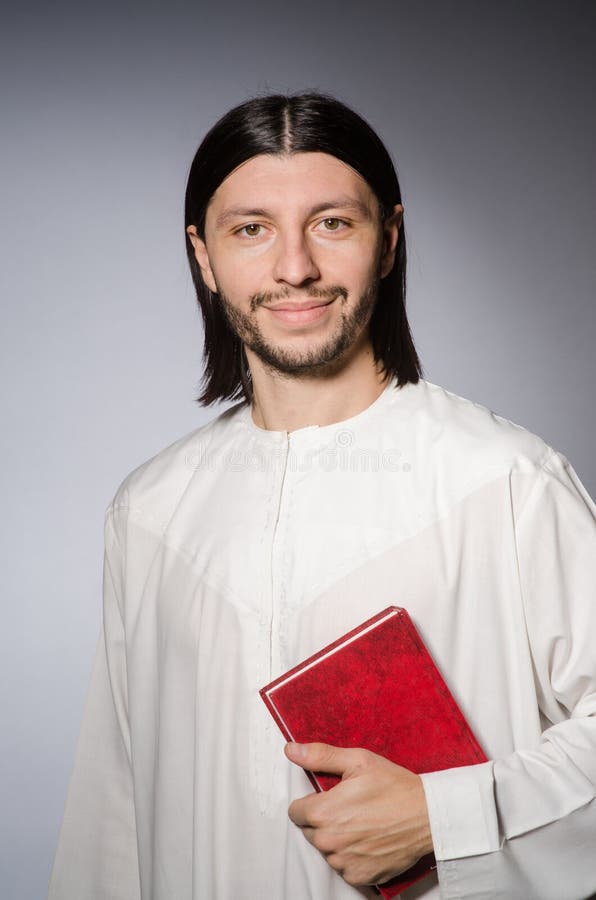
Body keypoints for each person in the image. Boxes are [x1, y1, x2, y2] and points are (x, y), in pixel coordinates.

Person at [48, 92, 596, 900]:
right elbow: (113, 808)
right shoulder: (151, 511)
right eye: (251, 229)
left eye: (333, 223)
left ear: (388, 242)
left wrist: (447, 817)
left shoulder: (507, 481)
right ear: (203, 256)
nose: (294, 267)